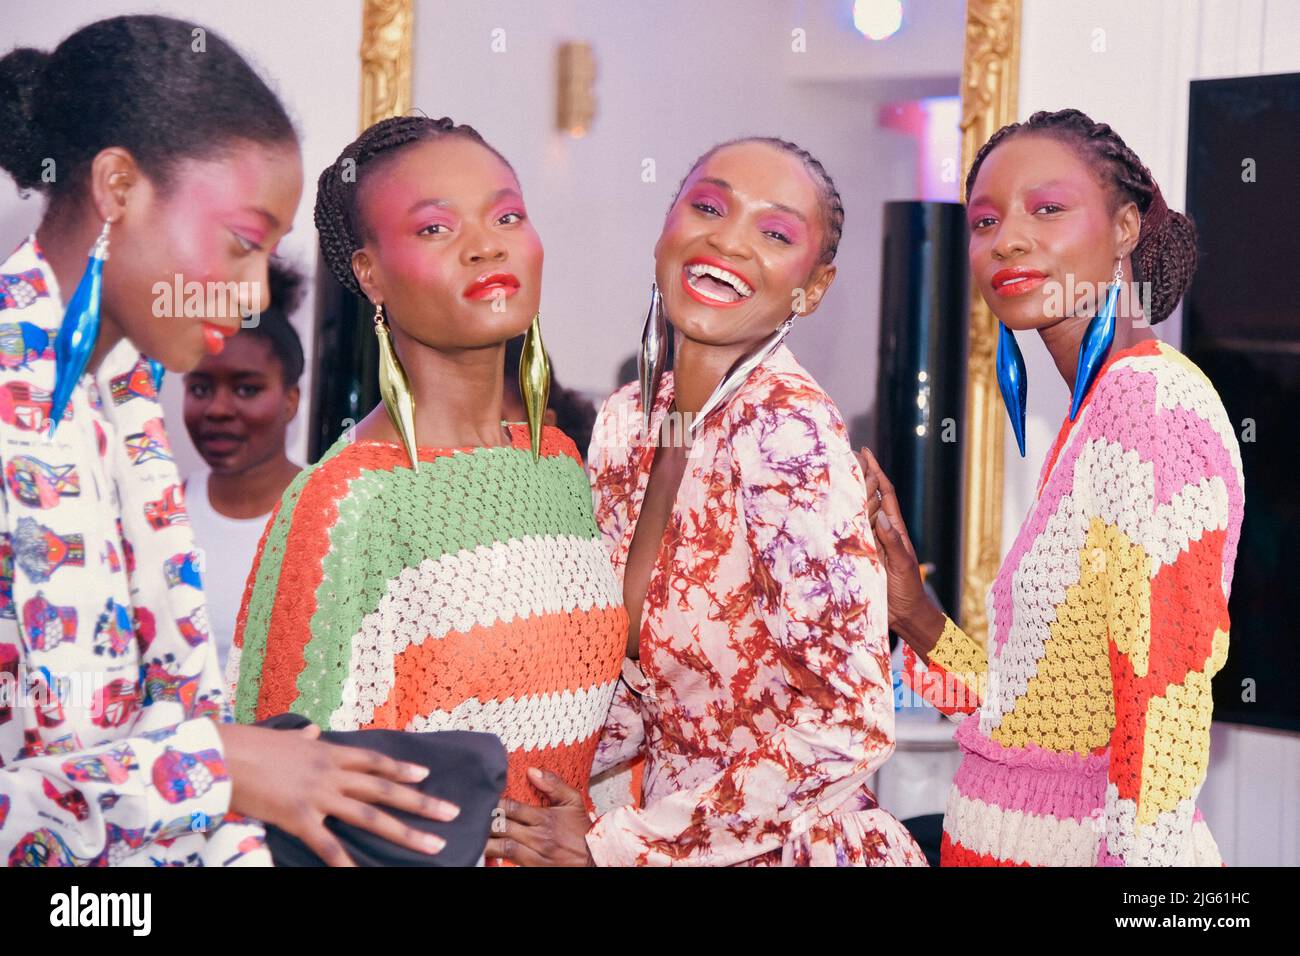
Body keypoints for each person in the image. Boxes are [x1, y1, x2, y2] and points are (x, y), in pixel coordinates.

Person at [0, 15, 457, 867]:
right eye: (242, 242)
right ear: (117, 186)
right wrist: (215, 766)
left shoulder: (123, 398)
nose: (252, 293)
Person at [491, 137, 926, 866]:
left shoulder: (789, 429)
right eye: (709, 207)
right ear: (668, 226)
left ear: (811, 289)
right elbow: (639, 691)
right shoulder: (628, 422)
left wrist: (619, 847)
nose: (729, 240)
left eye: (776, 232)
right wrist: (522, 786)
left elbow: (849, 723)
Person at [861, 108, 1245, 866]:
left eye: (1047, 209)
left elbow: (1163, 702)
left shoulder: (1150, 406)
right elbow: (1029, 716)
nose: (1006, 239)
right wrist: (912, 610)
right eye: (983, 221)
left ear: (1127, 226)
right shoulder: (1095, 414)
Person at [230, 116, 627, 847]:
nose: (486, 244)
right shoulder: (345, 503)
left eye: (507, 215)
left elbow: (588, 738)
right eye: (436, 229)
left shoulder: (560, 467)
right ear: (370, 273)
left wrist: (591, 841)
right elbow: (286, 813)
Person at [183, 259, 305, 676]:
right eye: (200, 388)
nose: (217, 410)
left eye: (246, 389)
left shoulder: (334, 512)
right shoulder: (160, 514)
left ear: (291, 400)